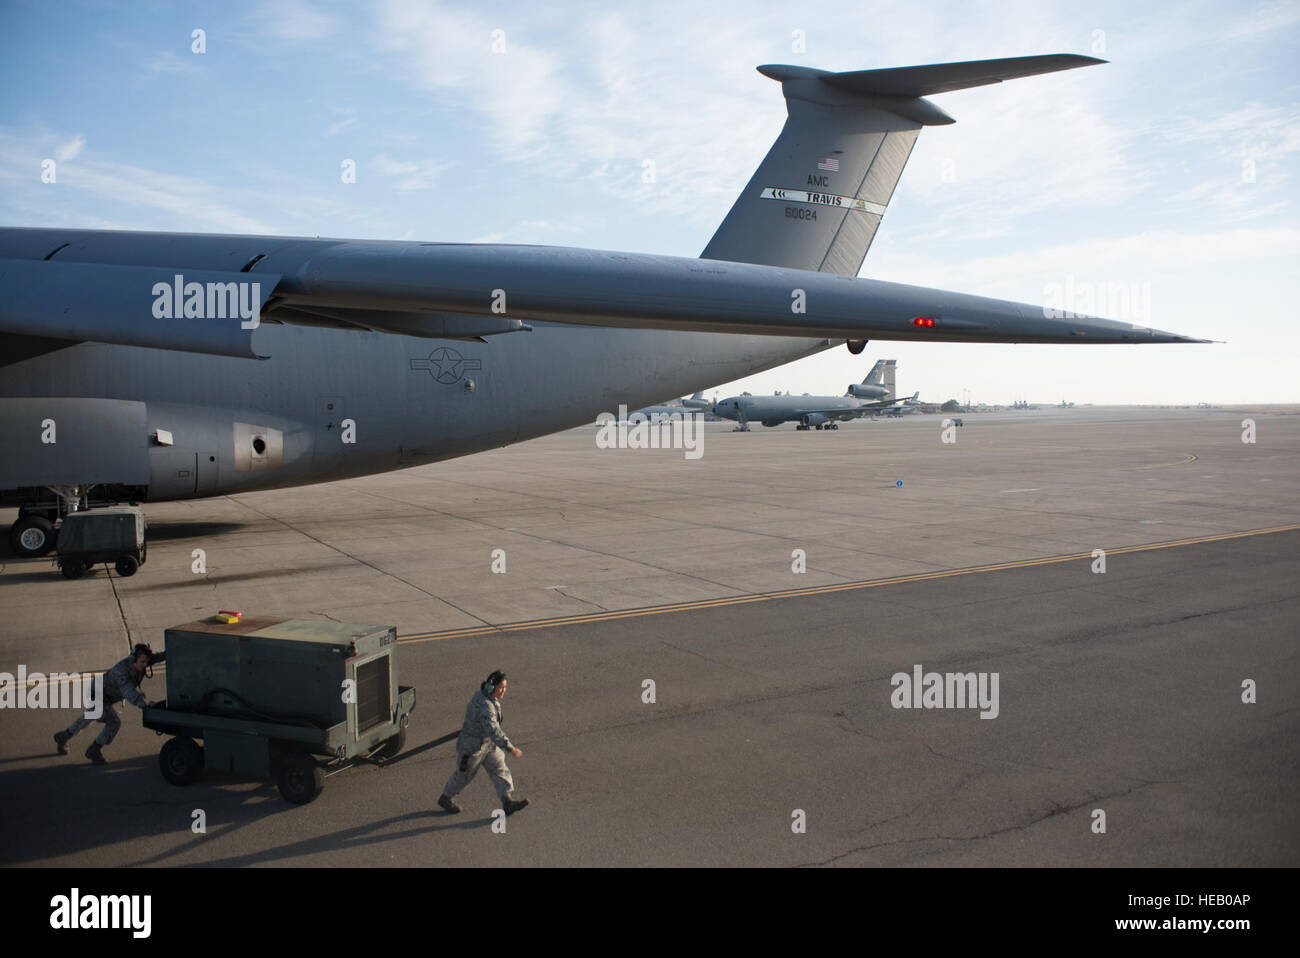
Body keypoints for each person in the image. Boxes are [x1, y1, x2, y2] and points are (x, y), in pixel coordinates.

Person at [53, 643, 164, 764]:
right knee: (113, 722)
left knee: (90, 716)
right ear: (133, 659)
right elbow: (129, 692)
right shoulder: (121, 672)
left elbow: (160, 656)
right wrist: (144, 705)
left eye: (147, 662)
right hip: (99, 693)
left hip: (106, 693)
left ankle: (64, 736)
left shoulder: (142, 660)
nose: (145, 665)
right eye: (142, 662)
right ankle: (94, 749)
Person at [438, 670, 528, 816]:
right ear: (492, 688)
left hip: (487, 744)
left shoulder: (488, 697)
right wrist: (510, 748)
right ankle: (445, 797)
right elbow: (494, 731)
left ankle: (507, 801)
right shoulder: (485, 706)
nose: (503, 691)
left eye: (505, 687)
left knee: (499, 768)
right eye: (501, 688)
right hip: (472, 748)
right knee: (464, 776)